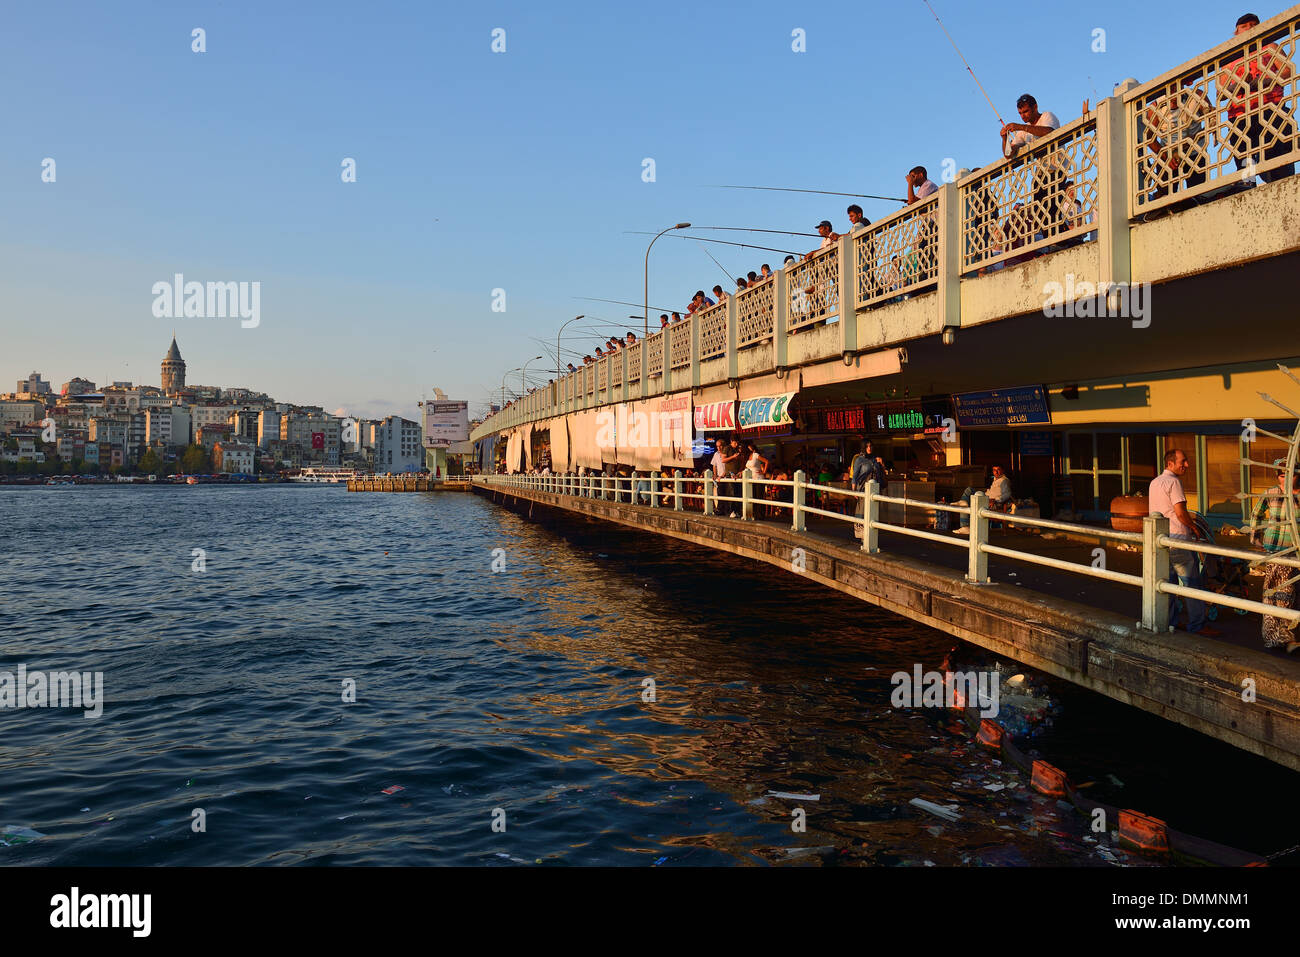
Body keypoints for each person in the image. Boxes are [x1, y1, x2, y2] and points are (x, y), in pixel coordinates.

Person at [1149, 449, 1220, 636]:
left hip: (1161, 540)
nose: (1187, 465)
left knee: (1168, 584)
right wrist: (1194, 528)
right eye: (1183, 461)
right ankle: (1197, 625)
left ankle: (1170, 622)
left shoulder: (1154, 483)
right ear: (1170, 464)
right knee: (1192, 583)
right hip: (1179, 539)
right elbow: (1180, 513)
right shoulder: (1174, 482)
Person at [1220, 12, 1296, 184]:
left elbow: (1287, 71)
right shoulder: (1229, 58)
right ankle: (1247, 186)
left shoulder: (1270, 47)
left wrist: (1262, 81)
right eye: (1244, 26)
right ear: (1236, 32)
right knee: (1245, 160)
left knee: (1276, 156)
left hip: (1270, 108)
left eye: (1253, 25)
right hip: (1240, 115)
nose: (1249, 29)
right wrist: (1240, 85)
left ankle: (1281, 183)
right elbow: (1221, 93)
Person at [1251, 464, 1300, 653]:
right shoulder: (1270, 492)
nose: (1285, 479)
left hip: (1293, 551)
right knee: (1274, 593)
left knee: (1288, 594)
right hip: (1274, 550)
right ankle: (1279, 638)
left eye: (1289, 475)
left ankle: (1281, 637)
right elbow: (1256, 512)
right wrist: (1255, 537)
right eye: (1280, 476)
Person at [953, 465, 1012, 533]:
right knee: (968, 492)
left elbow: (1008, 494)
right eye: (994, 470)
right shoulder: (996, 480)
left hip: (994, 503)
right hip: (986, 499)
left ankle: (965, 526)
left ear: (1002, 470)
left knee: (967, 501)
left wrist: (995, 500)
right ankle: (963, 503)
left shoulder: (1004, 480)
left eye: (998, 469)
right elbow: (993, 492)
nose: (996, 472)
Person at [1001, 94, 1061, 158]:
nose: (1022, 116)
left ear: (1035, 107)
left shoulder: (1047, 115)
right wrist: (1005, 138)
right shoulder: (1023, 131)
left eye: (1025, 111)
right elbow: (1008, 155)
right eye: (1020, 113)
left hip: (1059, 166)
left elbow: (1049, 132)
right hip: (1041, 167)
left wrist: (1020, 127)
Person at [850, 440, 887, 538]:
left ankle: (871, 535)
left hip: (875, 489)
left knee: (873, 513)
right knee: (862, 512)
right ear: (863, 448)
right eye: (867, 446)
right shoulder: (859, 460)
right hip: (862, 489)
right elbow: (854, 476)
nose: (869, 448)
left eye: (870, 446)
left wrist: (882, 464)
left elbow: (882, 473)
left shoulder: (876, 459)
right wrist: (854, 491)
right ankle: (862, 536)